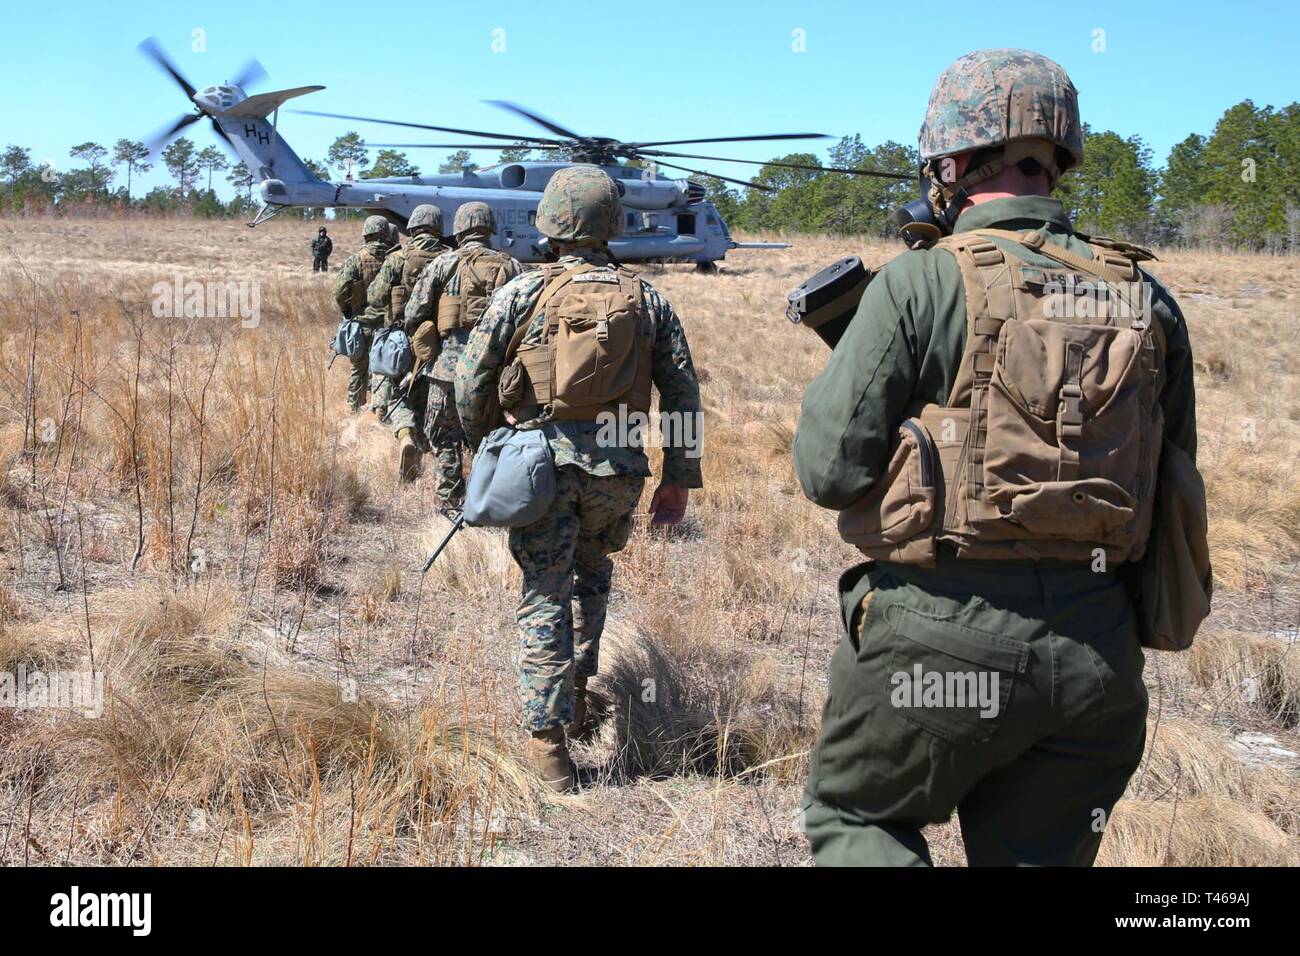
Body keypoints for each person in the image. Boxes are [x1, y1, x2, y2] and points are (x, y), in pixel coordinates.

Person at [793, 48, 1198, 866]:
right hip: (1097, 657)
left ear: (950, 159)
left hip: (938, 636)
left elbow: (828, 471)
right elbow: (1174, 475)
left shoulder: (918, 281)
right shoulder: (1146, 299)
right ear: (1057, 159)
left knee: (859, 821)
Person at [455, 167, 704, 790]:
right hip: (618, 471)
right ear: (613, 224)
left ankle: (548, 743)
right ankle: (579, 692)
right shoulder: (648, 300)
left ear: (549, 222)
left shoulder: (523, 294)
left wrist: (488, 441)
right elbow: (681, 395)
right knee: (591, 577)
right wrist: (679, 477)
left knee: (545, 591)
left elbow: (469, 379)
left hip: (541, 467)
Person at [404, 201, 521, 508]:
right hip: (493, 373)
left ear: (458, 231)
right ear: (490, 228)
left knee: (444, 437)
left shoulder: (444, 264)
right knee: (490, 438)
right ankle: (487, 501)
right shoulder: (511, 266)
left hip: (446, 370)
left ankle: (450, 500)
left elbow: (414, 312)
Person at [365, 205, 448, 480]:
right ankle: (426, 452)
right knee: (426, 397)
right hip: (439, 342)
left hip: (401, 340)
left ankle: (405, 437)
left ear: (412, 227)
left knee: (399, 397)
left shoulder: (398, 257)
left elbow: (375, 297)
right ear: (439, 228)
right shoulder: (449, 258)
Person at [332, 215, 391, 413]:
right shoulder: (395, 258)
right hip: (387, 326)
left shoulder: (357, 259)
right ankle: (380, 411)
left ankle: (354, 410)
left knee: (359, 368)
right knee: (383, 371)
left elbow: (340, 290)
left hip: (361, 324)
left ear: (366, 234)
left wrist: (347, 311)